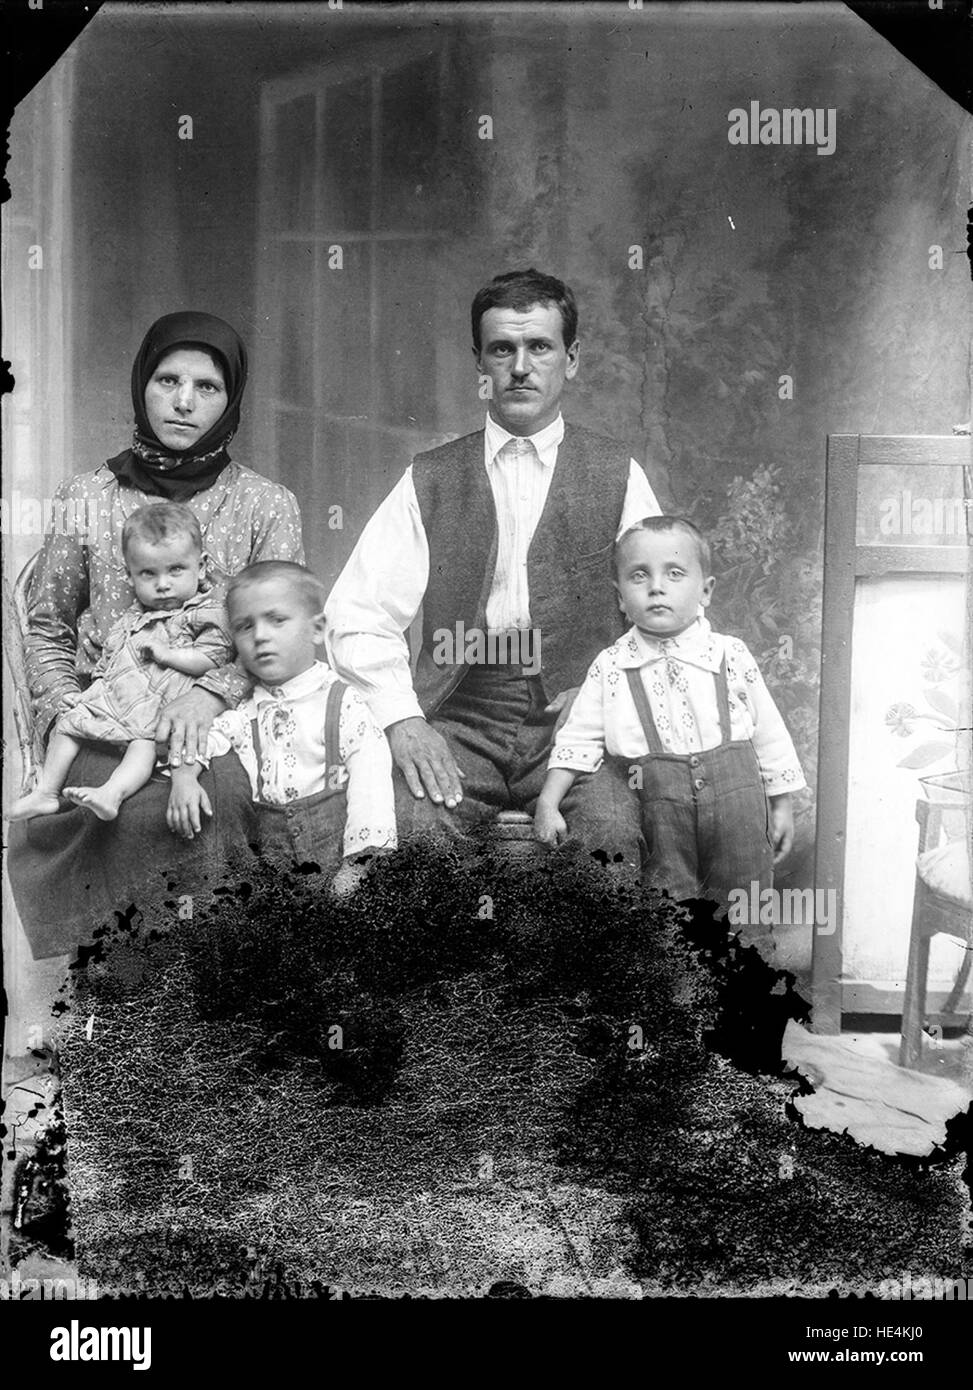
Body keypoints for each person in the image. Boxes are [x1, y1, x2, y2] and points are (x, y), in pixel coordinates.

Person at [325, 268, 661, 867]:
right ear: (480, 363)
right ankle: (452, 968)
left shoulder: (617, 474)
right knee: (412, 827)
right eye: (502, 349)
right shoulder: (431, 478)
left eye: (540, 347)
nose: (521, 366)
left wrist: (611, 690)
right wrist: (404, 722)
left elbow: (665, 613)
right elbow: (357, 615)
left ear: (572, 358)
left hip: (575, 720)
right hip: (461, 712)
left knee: (609, 831)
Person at [7, 311, 304, 958]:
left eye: (207, 387)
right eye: (167, 380)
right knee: (128, 805)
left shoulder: (264, 504)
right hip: (108, 715)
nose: (182, 400)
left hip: (219, 721)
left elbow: (282, 631)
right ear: (141, 385)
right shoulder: (87, 495)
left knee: (215, 793)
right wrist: (71, 710)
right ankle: (126, 1007)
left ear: (231, 402)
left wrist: (212, 694)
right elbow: (48, 627)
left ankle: (215, 995)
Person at [534, 516, 806, 922]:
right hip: (660, 811)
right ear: (621, 598)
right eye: (639, 575)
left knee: (745, 913)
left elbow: (769, 733)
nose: (656, 587)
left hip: (739, 806)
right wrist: (548, 801)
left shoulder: (730, 654)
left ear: (706, 590)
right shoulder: (612, 665)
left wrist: (780, 806)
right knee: (671, 916)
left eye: (674, 573)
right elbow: (579, 739)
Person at [166, 561, 396, 897]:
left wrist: (358, 865)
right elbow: (207, 739)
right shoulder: (246, 709)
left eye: (277, 620)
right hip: (272, 869)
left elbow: (371, 783)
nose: (260, 636)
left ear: (317, 629)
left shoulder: (342, 702)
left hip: (339, 862)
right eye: (245, 626)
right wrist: (184, 777)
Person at [8, 502, 232, 824]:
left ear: (202, 565)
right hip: (117, 698)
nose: (163, 584)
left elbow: (212, 658)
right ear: (129, 575)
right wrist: (90, 692)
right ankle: (46, 792)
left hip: (161, 707)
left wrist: (168, 655)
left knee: (142, 744)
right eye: (148, 574)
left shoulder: (206, 613)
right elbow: (111, 658)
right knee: (69, 723)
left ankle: (112, 793)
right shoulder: (131, 618)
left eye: (176, 570)